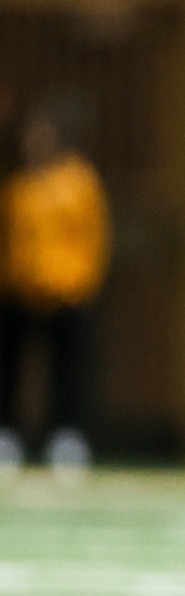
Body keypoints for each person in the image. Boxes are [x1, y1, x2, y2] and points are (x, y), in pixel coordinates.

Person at [0, 97, 110, 476]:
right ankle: (7, 435)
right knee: (9, 367)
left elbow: (93, 238)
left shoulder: (78, 181)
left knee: (68, 369)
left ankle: (67, 436)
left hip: (67, 290)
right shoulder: (19, 185)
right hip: (20, 290)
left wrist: (84, 283)